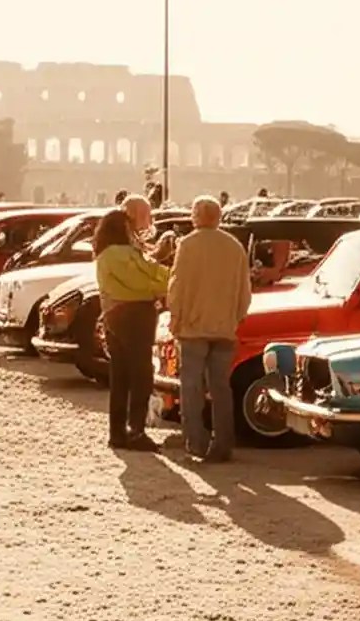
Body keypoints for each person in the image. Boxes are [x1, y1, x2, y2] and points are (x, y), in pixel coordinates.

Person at [166, 196, 252, 462]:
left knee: (191, 386)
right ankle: (223, 442)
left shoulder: (188, 245)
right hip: (224, 328)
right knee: (220, 387)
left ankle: (196, 440)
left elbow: (177, 286)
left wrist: (175, 317)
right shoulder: (234, 247)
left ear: (196, 216)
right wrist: (234, 318)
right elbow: (245, 292)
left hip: (193, 328)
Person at [94, 207, 169, 451]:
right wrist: (162, 284)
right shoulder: (121, 253)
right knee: (141, 375)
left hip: (114, 317)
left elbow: (145, 272)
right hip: (134, 316)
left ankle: (118, 432)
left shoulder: (105, 254)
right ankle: (136, 431)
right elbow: (142, 280)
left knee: (120, 377)